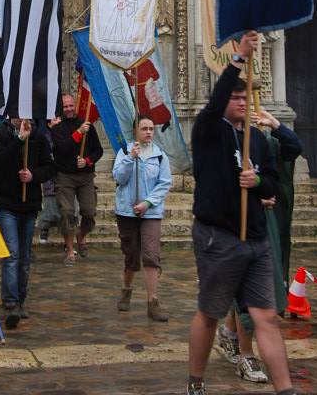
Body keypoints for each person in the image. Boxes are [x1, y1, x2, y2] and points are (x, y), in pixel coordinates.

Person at [186, 30, 299, 395]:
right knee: (210, 313)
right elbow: (217, 98)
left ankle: (285, 389)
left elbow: (273, 182)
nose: (239, 101)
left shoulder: (258, 140)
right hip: (219, 237)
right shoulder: (208, 132)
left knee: (265, 316)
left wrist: (258, 183)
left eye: (243, 96)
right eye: (234, 96)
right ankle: (196, 381)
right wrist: (239, 58)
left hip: (257, 240)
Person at [217, 108, 303, 384]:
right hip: (242, 227)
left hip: (269, 228)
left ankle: (230, 334)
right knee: (251, 291)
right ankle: (246, 354)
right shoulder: (227, 146)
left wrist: (275, 124)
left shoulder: (268, 144)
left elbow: (293, 148)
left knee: (252, 291)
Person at [0, 117, 55, 328]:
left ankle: (20, 299)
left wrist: (33, 175)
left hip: (29, 203)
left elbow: (50, 167)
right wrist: (18, 139)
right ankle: (10, 303)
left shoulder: (38, 136)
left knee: (25, 257)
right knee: (12, 253)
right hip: (6, 203)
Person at [113, 116, 172, 320]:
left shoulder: (160, 156)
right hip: (127, 212)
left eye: (151, 128)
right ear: (136, 131)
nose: (148, 132)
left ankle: (153, 301)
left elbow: (164, 183)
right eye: (144, 128)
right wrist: (130, 158)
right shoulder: (124, 152)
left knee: (151, 255)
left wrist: (148, 202)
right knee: (131, 255)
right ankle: (127, 289)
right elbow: (119, 178)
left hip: (151, 212)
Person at [51, 93, 103, 264]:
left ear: (75, 105)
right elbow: (62, 148)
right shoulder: (57, 128)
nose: (68, 109)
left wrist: (87, 161)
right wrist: (79, 133)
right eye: (65, 106)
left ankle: (81, 236)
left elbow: (98, 151)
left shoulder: (86, 124)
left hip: (85, 176)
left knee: (89, 212)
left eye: (70, 105)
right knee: (67, 213)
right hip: (65, 176)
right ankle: (70, 251)